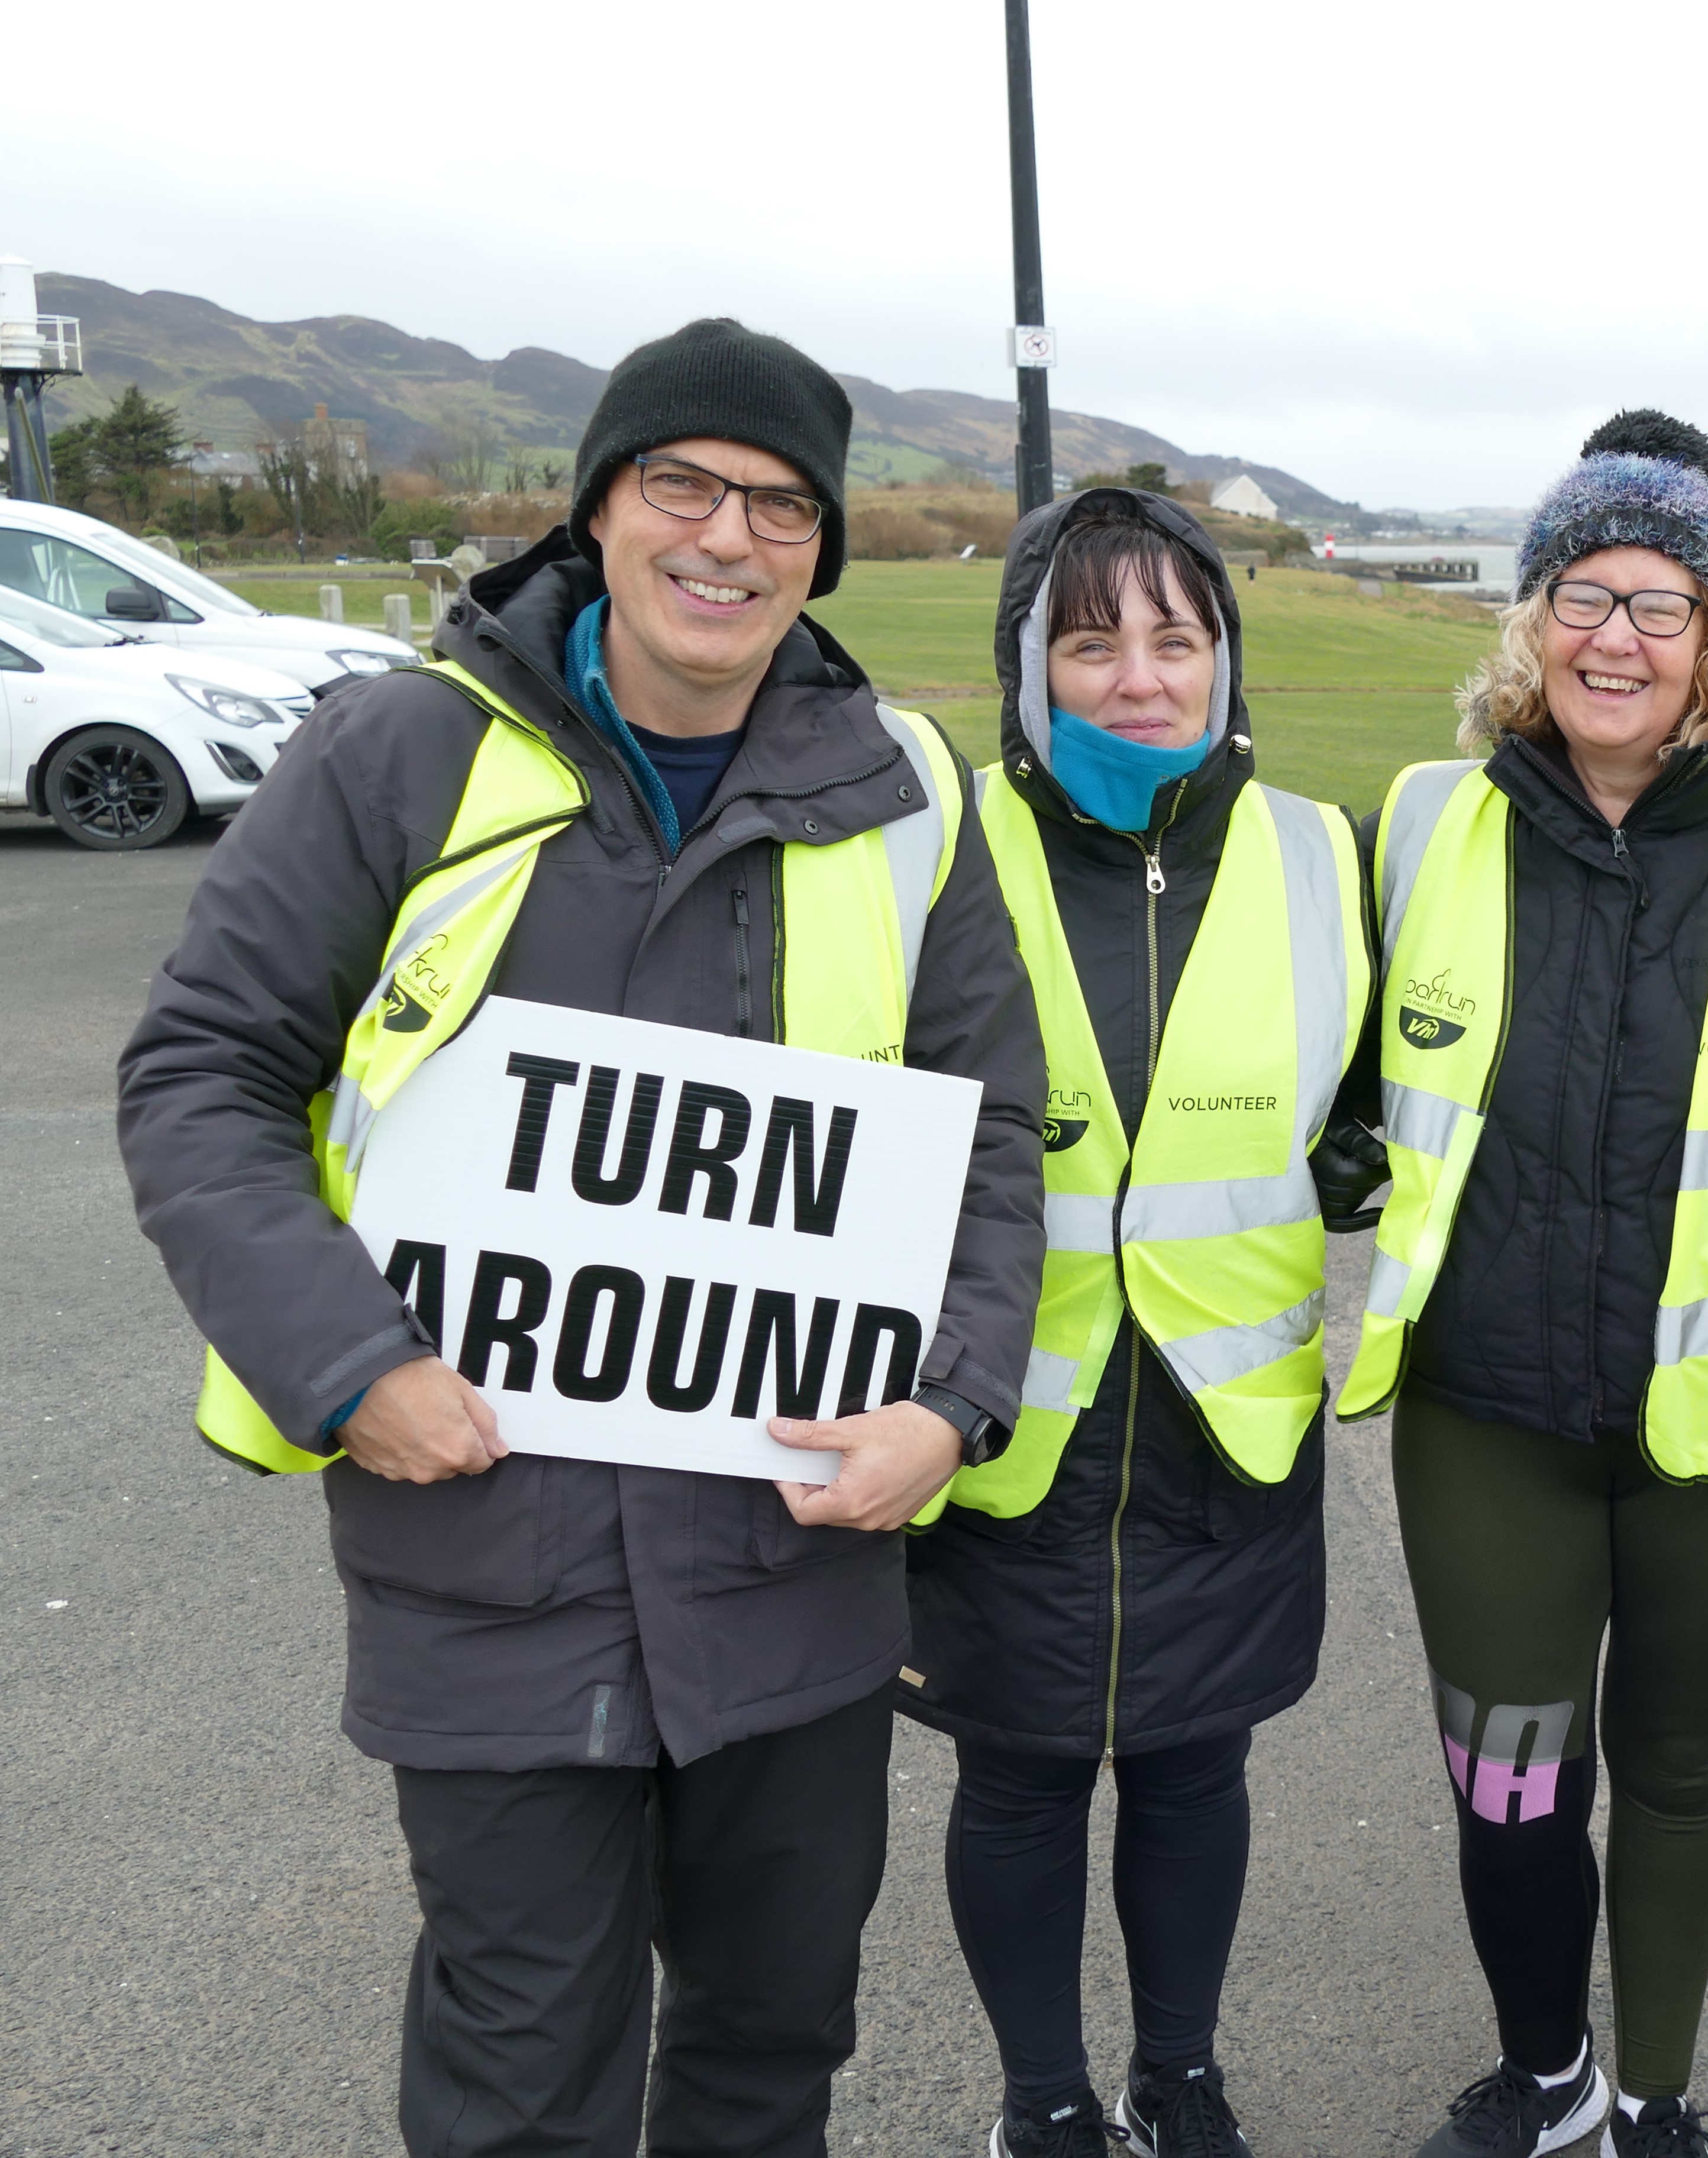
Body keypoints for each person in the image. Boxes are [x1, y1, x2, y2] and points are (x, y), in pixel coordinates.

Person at [117, 318, 1046, 2157]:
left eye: (780, 505)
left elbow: (992, 1133)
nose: (728, 537)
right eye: (680, 485)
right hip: (489, 1562)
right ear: (601, 512)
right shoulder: (398, 753)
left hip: (794, 1571)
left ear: (823, 547)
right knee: (521, 2082)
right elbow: (203, 1074)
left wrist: (952, 1404)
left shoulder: (911, 794)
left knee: (772, 2057)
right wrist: (348, 1364)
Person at [1336, 411, 1708, 2158]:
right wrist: (1335, 1134)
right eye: (1582, 594)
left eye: (1663, 605)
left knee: (1668, 1773)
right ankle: (1545, 2072)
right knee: (1510, 1777)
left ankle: (1651, 2099)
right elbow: (1334, 1049)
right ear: (1530, 621)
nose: (1617, 639)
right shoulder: (1425, 821)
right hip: (1487, 1411)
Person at [899, 485, 1377, 2158]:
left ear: (1227, 658)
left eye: (1179, 637)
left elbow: (1375, 1099)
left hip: (1224, 1426)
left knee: (1189, 1771)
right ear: (1027, 665)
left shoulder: (1324, 852)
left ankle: (1181, 2077)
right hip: (999, 1423)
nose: (1141, 677)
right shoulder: (935, 841)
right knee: (1019, 1779)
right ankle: (1043, 2103)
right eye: (1090, 640)